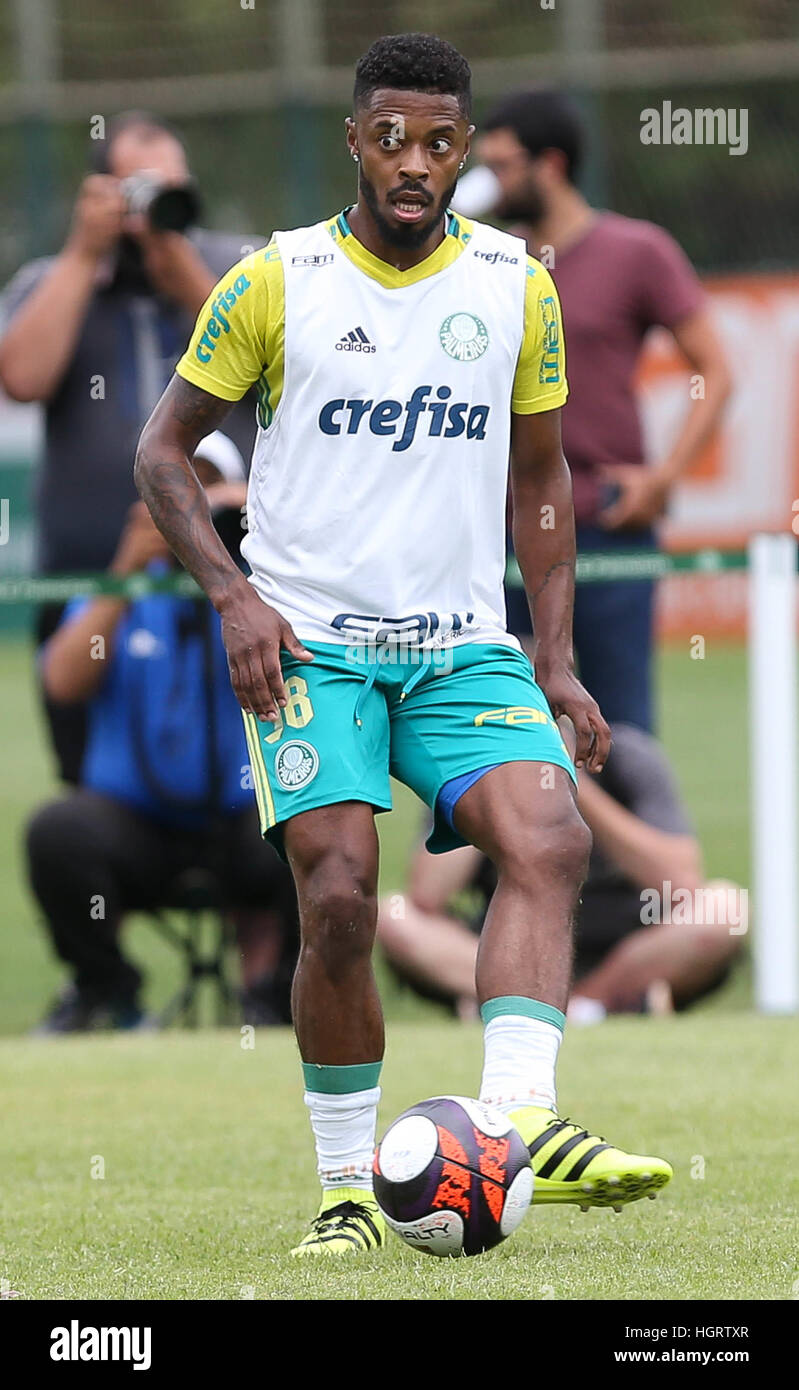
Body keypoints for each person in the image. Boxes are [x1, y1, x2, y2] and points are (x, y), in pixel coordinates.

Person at [134, 33, 672, 1258]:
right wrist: (231, 596)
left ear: (466, 147)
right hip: (309, 645)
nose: (413, 163)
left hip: (456, 645)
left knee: (550, 834)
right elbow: (161, 453)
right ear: (355, 140)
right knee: (338, 894)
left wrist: (554, 652)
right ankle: (341, 1190)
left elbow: (542, 482)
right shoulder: (276, 282)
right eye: (392, 138)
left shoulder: (513, 283)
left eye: (439, 141)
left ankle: (523, 1124)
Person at [0, 111, 264, 784]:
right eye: (138, 190)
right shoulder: (54, 280)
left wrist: (182, 272)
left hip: (237, 578)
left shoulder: (240, 269)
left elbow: (278, 364)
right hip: (92, 577)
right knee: (90, 786)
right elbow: (23, 378)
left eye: (172, 187)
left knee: (256, 783)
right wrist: (84, 254)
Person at [470, 91, 731, 731]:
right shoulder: (487, 263)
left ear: (550, 165)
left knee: (622, 727)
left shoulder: (637, 251)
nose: (489, 183)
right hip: (504, 529)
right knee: (494, 728)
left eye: (503, 167)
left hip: (609, 523)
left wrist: (665, 478)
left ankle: (629, 837)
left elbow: (717, 371)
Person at [26, 434, 299, 1033]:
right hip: (138, 827)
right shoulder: (124, 591)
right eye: (174, 493)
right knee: (58, 832)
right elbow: (63, 681)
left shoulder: (270, 589)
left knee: (318, 823)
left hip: (244, 819)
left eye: (205, 494)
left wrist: (256, 532)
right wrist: (127, 569)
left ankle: (276, 997)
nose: (189, 512)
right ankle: (107, 992)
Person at [377, 722, 744, 1021]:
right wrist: (494, 778)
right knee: (393, 915)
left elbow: (681, 882)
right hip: (512, 941)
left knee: (726, 909)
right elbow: (427, 894)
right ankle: (543, 1002)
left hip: (626, 944)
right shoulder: (468, 763)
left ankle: (584, 1002)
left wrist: (574, 785)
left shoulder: (627, 755)